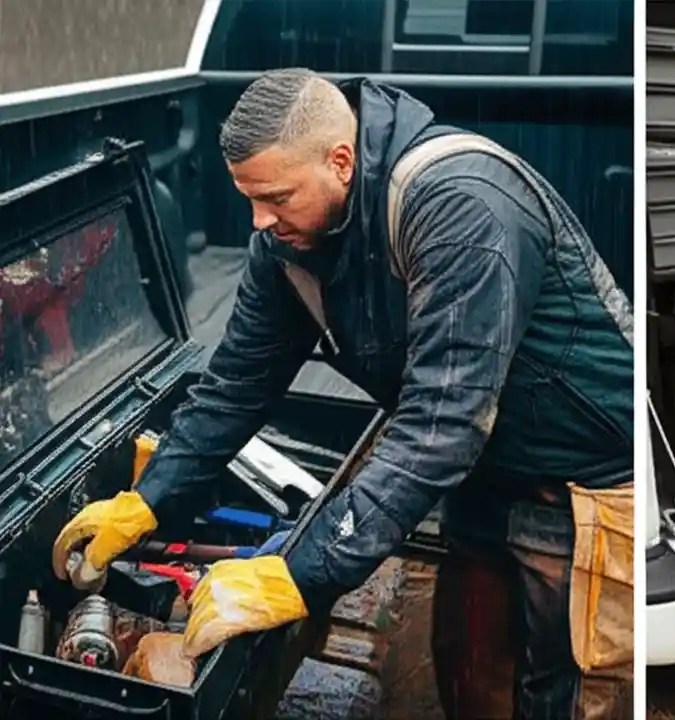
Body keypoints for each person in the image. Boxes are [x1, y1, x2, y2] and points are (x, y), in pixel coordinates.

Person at [49, 68, 635, 718]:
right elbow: (234, 389)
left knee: (567, 692)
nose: (259, 220)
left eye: (275, 196)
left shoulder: (461, 205)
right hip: (487, 471)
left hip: (587, 485)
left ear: (341, 161)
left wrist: (296, 573)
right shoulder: (289, 242)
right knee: (470, 669)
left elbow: (438, 428)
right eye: (248, 198)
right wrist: (146, 499)